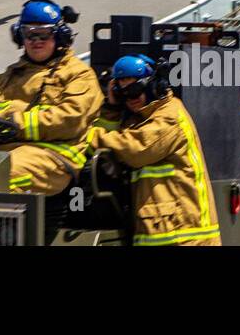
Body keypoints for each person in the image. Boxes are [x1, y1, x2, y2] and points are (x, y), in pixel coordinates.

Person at [86, 55, 221, 246]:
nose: (130, 98)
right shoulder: (137, 119)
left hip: (186, 238)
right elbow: (111, 135)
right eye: (122, 93)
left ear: (153, 86)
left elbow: (136, 149)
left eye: (134, 90)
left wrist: (89, 136)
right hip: (162, 236)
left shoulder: (170, 116)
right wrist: (112, 106)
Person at [0, 0, 103, 194]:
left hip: (54, 156)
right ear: (19, 36)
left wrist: (15, 125)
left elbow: (71, 120)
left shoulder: (79, 74)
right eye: (29, 34)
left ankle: (3, 224)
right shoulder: (7, 77)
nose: (36, 41)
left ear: (60, 36)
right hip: (4, 150)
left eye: (44, 35)